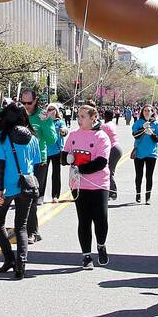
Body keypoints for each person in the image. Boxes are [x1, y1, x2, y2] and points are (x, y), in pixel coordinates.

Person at [0, 102, 40, 279]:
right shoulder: (33, 138)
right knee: (22, 227)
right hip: (27, 185)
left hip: (6, 186)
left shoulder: (0, 138)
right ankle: (21, 265)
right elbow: (36, 162)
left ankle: (9, 258)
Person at [61, 105, 111, 269]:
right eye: (78, 115)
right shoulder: (74, 134)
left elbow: (101, 162)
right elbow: (64, 155)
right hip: (78, 185)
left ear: (93, 118)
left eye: (83, 116)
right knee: (84, 220)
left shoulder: (101, 136)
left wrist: (80, 168)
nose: (79, 119)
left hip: (98, 184)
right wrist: (67, 158)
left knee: (100, 219)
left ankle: (101, 245)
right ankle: (86, 256)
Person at [130, 104, 158, 205]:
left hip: (151, 153)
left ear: (152, 112)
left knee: (149, 176)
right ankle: (138, 194)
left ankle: (148, 197)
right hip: (139, 152)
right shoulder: (138, 123)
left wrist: (152, 133)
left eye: (149, 110)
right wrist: (142, 129)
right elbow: (135, 136)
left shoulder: (156, 125)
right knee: (139, 175)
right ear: (142, 112)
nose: (147, 112)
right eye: (145, 111)